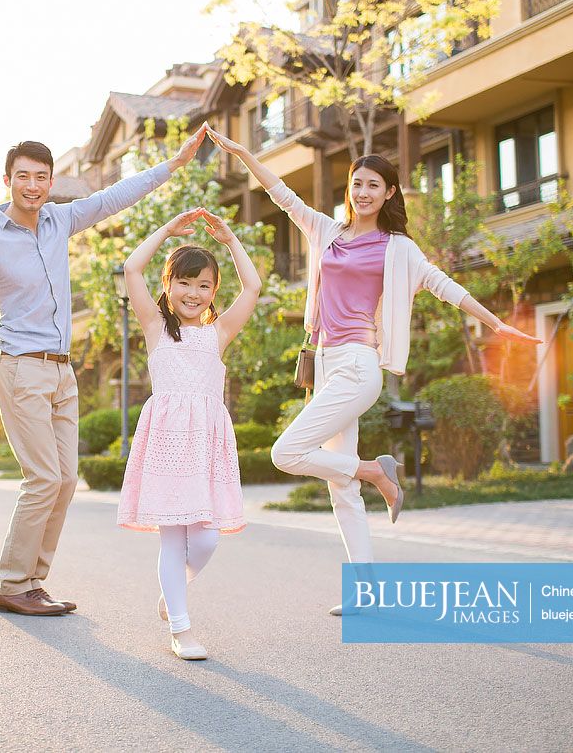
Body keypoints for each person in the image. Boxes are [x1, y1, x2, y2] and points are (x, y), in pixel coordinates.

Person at [207, 128, 539, 615]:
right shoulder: (326, 232)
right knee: (340, 487)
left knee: (286, 453)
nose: (363, 193)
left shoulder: (398, 248)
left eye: (373, 186)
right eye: (357, 183)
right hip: (325, 362)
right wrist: (242, 153)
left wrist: (497, 323)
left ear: (389, 193)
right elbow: (282, 195)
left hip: (359, 365)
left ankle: (376, 472)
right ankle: (366, 588)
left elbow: (444, 285)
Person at [0, 126, 209, 617]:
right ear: (7, 180)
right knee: (43, 478)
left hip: (62, 373)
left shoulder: (59, 221)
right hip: (21, 370)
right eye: (23, 176)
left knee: (66, 479)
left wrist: (173, 165)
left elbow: (113, 197)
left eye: (40, 177)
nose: (32, 185)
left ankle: (32, 582)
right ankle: (12, 583)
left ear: (51, 182)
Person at [116, 206, 262, 660]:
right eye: (184, 282)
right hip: (165, 444)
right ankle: (181, 628)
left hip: (205, 448)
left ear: (214, 291)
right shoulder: (156, 327)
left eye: (204, 285)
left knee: (206, 539)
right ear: (168, 284)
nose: (193, 293)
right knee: (172, 538)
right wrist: (167, 230)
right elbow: (132, 267)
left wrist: (230, 241)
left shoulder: (219, 332)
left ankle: (172, 590)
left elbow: (254, 286)